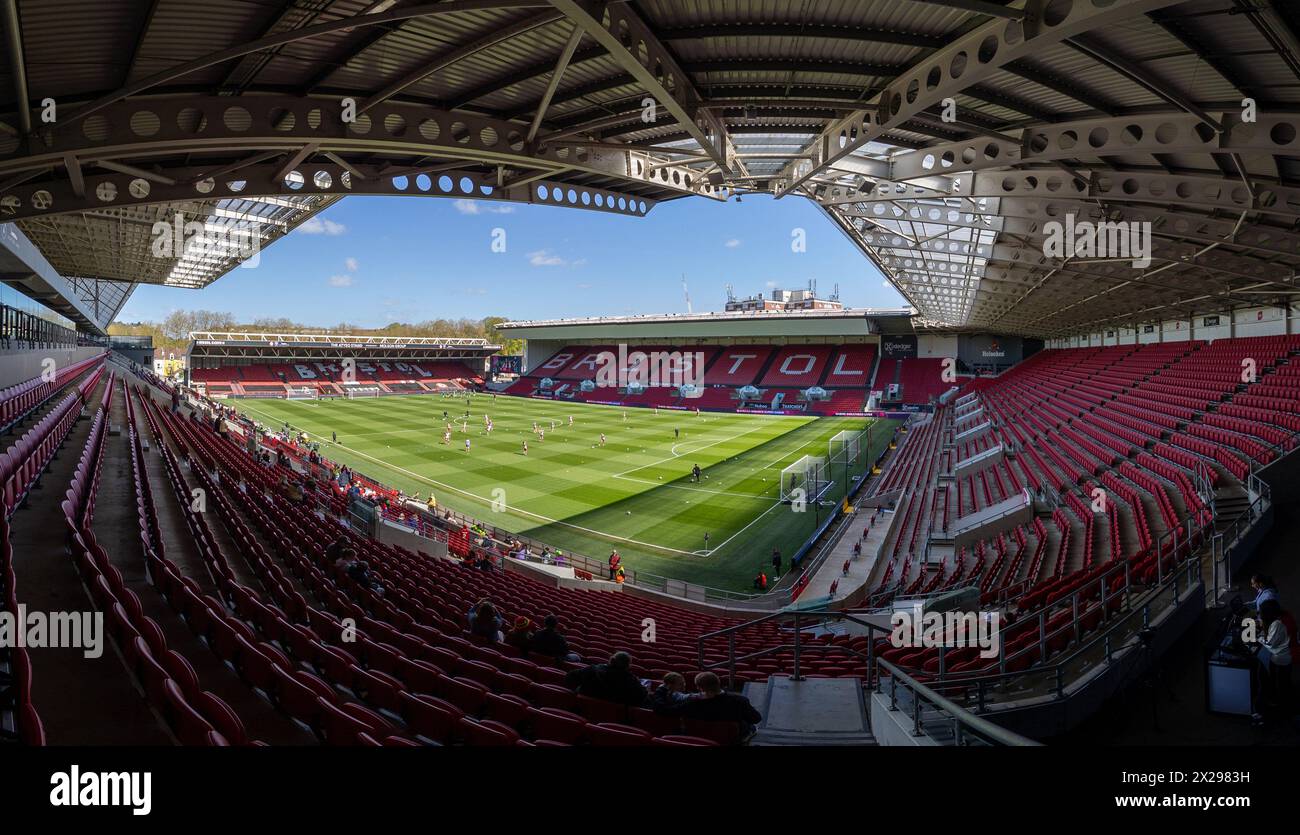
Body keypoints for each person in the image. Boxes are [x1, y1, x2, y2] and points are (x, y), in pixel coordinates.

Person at [672, 672, 762, 740]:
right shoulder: (739, 701)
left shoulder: (689, 702)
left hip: (699, 736)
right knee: (750, 725)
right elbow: (756, 719)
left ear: (699, 687)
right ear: (718, 683)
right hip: (730, 739)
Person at [1254, 599, 1293, 725]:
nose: (1260, 616)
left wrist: (1258, 637)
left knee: (1268, 678)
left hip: (1280, 658)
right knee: (1283, 682)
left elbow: (1270, 643)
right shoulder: (1283, 617)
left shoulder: (1277, 624)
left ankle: (1275, 707)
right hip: (1286, 656)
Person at [564, 651, 647, 706]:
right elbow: (642, 697)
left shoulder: (593, 669)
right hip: (613, 717)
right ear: (628, 666)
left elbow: (570, 677)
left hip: (582, 708)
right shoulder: (631, 681)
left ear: (611, 660)